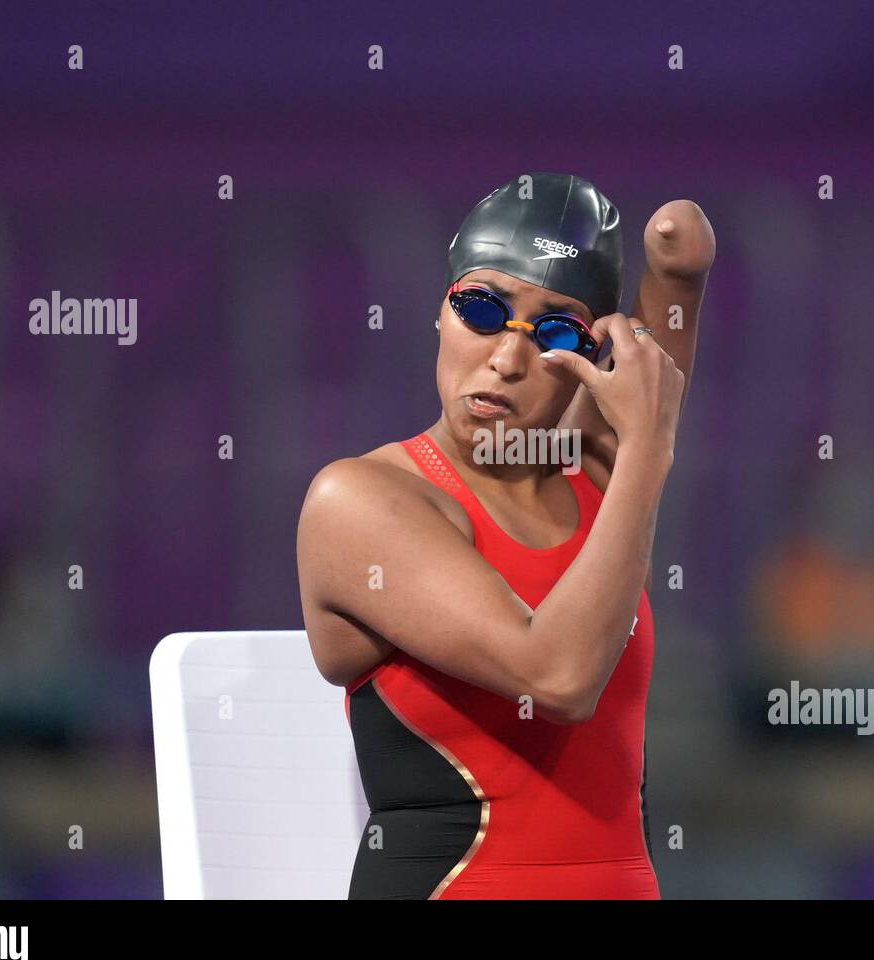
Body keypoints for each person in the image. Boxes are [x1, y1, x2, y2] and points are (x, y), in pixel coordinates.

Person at [297, 172, 714, 898]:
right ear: (441, 311)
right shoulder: (359, 500)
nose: (508, 358)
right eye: (482, 308)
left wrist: (679, 266)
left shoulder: (596, 484)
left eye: (555, 331)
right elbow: (555, 676)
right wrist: (647, 453)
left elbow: (668, 328)